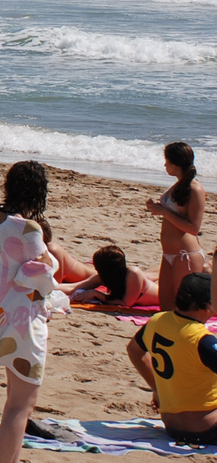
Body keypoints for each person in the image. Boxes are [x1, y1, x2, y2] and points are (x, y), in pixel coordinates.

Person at [0, 159, 69, 463]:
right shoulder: (29, 228)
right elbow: (45, 272)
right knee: (21, 405)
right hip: (23, 320)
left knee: (15, 401)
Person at [127, 272, 217, 446]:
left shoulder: (157, 321)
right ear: (207, 305)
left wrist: (157, 388)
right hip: (207, 429)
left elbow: (133, 351)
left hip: (172, 427)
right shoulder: (201, 340)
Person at [149, 142, 207, 311]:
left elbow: (193, 227)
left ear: (174, 164)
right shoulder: (179, 184)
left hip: (185, 255)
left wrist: (164, 212)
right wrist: (157, 207)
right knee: (165, 308)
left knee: (184, 309)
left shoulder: (195, 188)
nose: (165, 165)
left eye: (166, 161)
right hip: (169, 253)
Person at [68, 244, 158, 307]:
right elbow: (74, 287)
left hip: (168, 299)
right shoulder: (107, 276)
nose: (95, 270)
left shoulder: (133, 273)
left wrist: (95, 293)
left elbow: (125, 303)